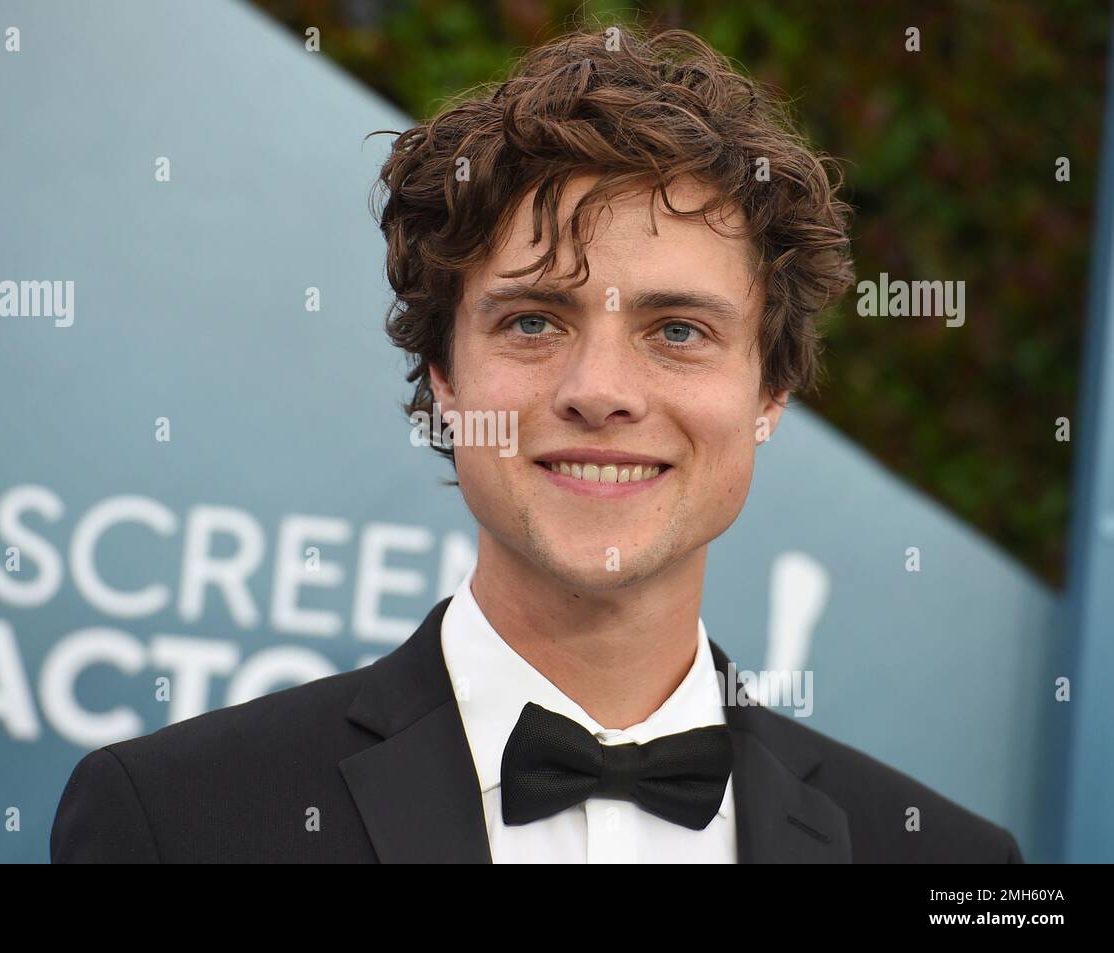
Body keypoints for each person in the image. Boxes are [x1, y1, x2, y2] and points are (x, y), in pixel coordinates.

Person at [50, 23, 1023, 863]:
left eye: (676, 329)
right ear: (444, 374)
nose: (598, 391)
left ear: (769, 391)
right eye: (532, 322)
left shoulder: (943, 857)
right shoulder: (176, 821)